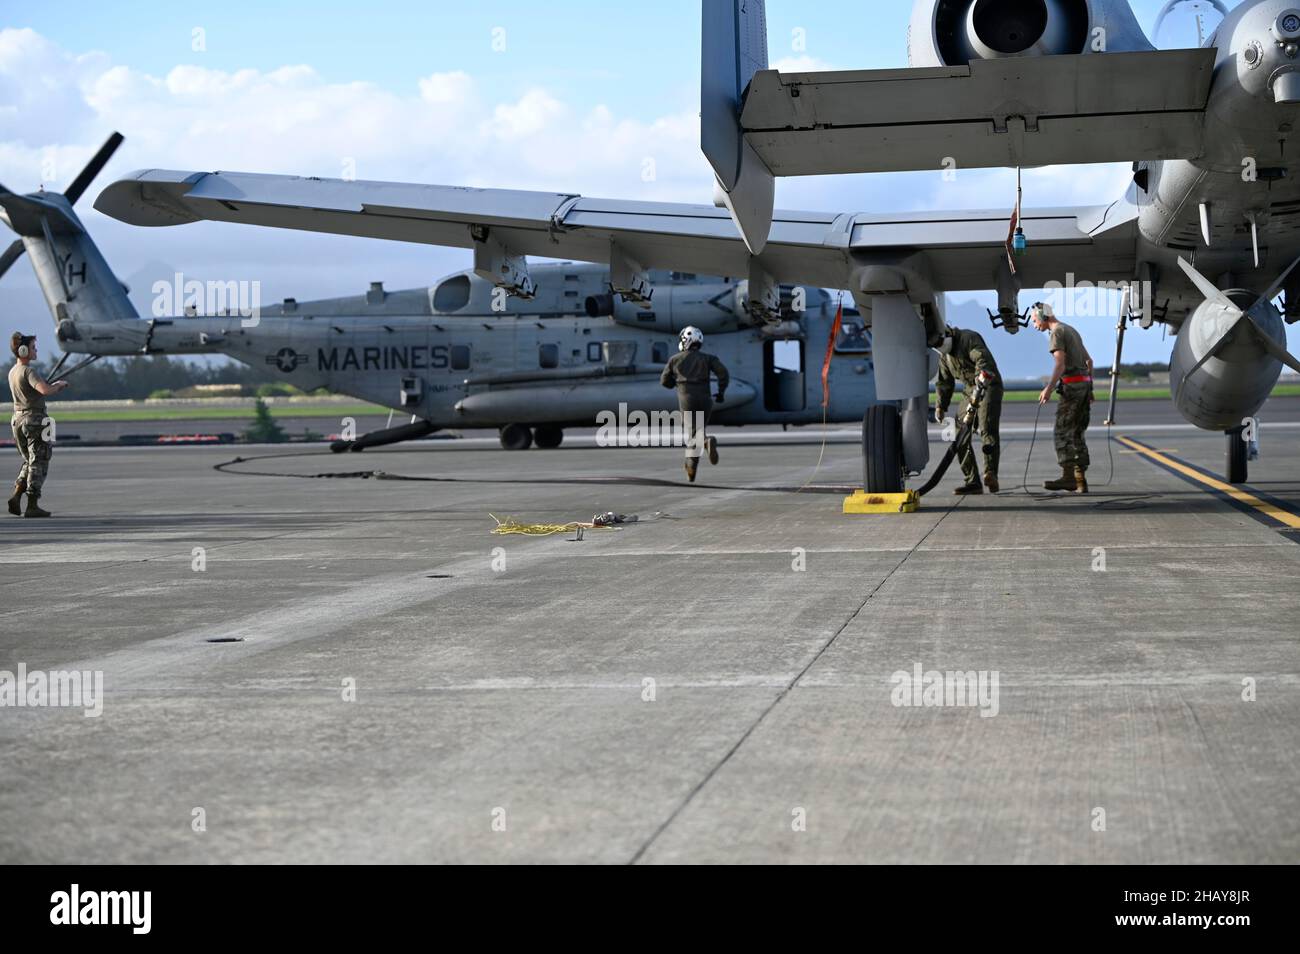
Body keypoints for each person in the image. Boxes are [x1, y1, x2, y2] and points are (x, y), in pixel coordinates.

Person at [932, 326, 1003, 494]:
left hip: (988, 384)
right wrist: (940, 406)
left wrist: (980, 384)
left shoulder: (968, 338)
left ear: (948, 334)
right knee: (959, 433)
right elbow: (944, 382)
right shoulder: (945, 356)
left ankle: (990, 474)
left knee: (987, 428)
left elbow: (982, 361)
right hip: (970, 389)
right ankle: (972, 481)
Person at [1031, 303, 1094, 494]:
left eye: (1035, 320)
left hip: (1072, 387)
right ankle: (1080, 479)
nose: (1035, 325)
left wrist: (1049, 388)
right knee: (1077, 432)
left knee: (1062, 431)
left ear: (1043, 317)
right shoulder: (1071, 330)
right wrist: (1089, 388)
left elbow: (1060, 363)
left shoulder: (1056, 332)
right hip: (1083, 385)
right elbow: (1089, 362)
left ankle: (1068, 478)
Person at [8, 333, 68, 518]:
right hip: (35, 420)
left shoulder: (13, 371)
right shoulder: (28, 371)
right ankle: (32, 504)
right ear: (24, 350)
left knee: (29, 460)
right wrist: (58, 385)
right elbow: (44, 390)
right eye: (33, 347)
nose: (36, 350)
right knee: (39, 461)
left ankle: (17, 495)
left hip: (17, 420)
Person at [660, 326, 729, 482]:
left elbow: (664, 381)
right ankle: (691, 470)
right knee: (696, 433)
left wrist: (674, 384)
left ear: (684, 340)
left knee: (694, 435)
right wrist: (721, 392)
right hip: (705, 399)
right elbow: (723, 373)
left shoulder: (674, 359)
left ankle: (706, 442)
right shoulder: (709, 358)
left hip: (687, 398)